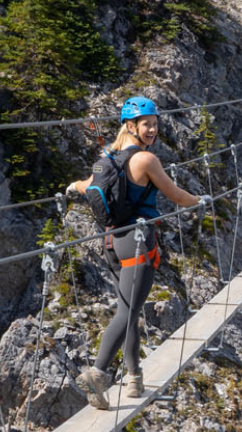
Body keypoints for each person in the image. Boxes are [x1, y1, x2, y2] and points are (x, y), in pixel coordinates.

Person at [69, 96, 202, 410]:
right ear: (131, 126)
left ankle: (134, 378)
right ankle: (97, 372)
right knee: (127, 311)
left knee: (128, 308)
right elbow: (177, 196)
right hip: (138, 242)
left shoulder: (109, 158)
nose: (153, 129)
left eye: (155, 124)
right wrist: (202, 201)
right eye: (147, 124)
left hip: (111, 242)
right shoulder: (146, 160)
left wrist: (73, 186)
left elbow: (89, 185)